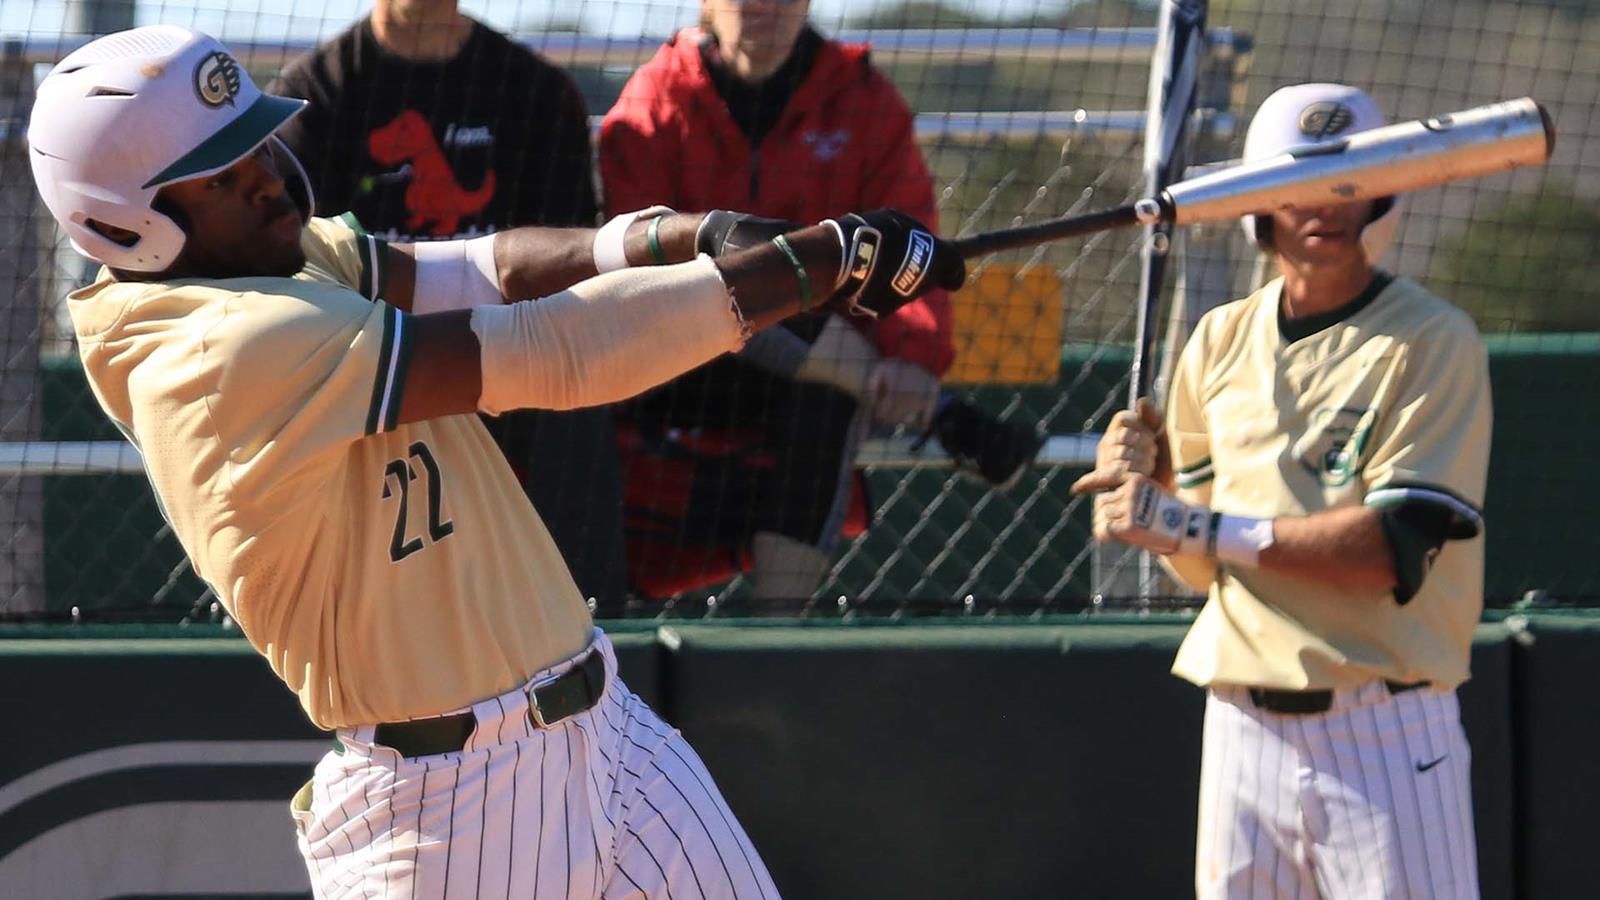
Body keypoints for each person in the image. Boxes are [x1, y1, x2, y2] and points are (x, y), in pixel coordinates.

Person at [27, 26, 962, 896]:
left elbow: (471, 270)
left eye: (259, 147)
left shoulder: (258, 257)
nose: (270, 181)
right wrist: (805, 268)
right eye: (221, 178)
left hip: (610, 733)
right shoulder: (212, 348)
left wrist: (682, 233)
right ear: (125, 224)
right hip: (450, 809)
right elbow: (552, 352)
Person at [1072, 83, 1489, 899]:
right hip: (1241, 728)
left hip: (1385, 728)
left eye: (1347, 182)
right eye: (1297, 186)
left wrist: (1190, 525)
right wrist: (1148, 496)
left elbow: (1385, 552)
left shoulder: (1435, 340)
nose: (1323, 208)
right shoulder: (1218, 339)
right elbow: (1198, 568)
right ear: (1256, 201)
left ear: (1381, 193)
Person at [270, 0, 627, 607]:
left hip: (514, 370)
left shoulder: (534, 92)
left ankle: (589, 621)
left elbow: (574, 268)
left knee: (582, 403)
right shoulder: (316, 96)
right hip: (371, 377)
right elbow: (289, 270)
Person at [599, 0, 955, 602]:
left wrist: (913, 354)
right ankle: (949, 421)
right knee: (739, 304)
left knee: (826, 398)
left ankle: (773, 635)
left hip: (813, 368)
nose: (765, 5)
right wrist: (883, 374)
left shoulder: (864, 102)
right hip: (677, 352)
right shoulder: (654, 99)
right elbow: (637, 269)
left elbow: (911, 246)